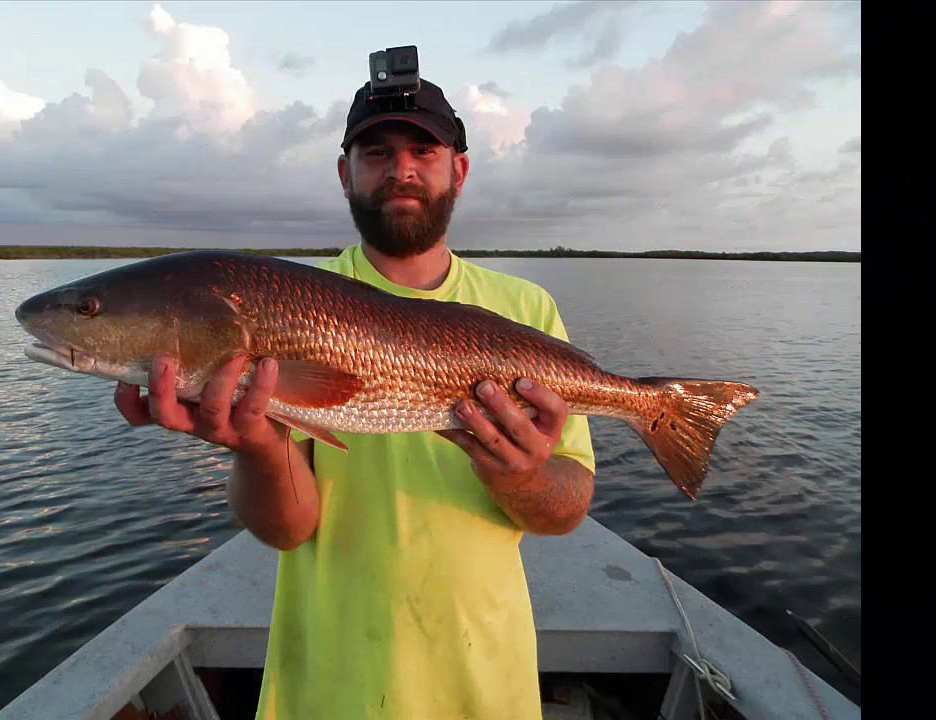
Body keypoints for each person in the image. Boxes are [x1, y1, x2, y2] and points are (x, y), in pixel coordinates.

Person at [113, 76, 596, 720]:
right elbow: (289, 531)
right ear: (345, 173)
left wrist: (526, 473)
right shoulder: (284, 304)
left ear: (460, 169)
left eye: (422, 152)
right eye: (377, 153)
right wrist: (258, 441)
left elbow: (563, 514)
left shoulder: (528, 310)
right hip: (327, 687)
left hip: (486, 686)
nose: (401, 170)